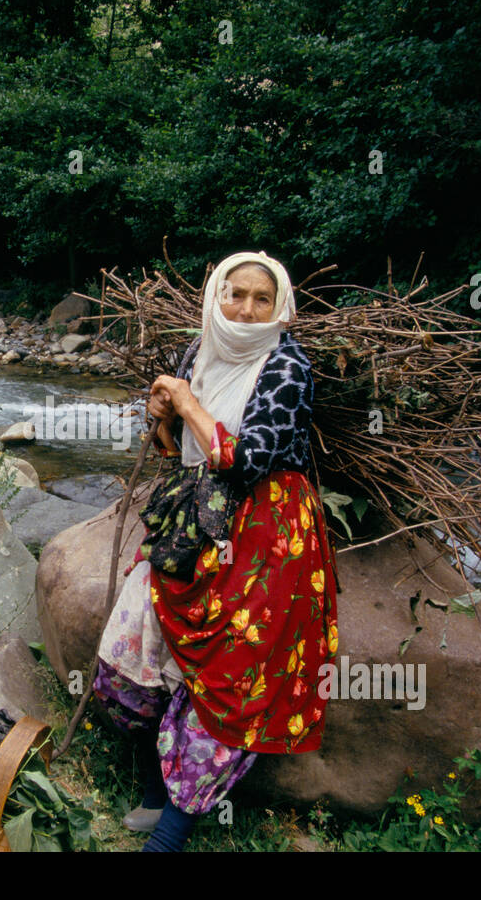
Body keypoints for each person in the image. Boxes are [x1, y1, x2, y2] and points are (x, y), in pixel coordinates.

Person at [92, 250, 339, 851]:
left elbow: (246, 457)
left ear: (282, 307)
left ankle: (171, 835)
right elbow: (180, 447)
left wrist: (186, 403)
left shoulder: (288, 365)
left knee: (231, 681)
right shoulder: (197, 352)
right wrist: (161, 418)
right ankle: (155, 794)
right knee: (137, 652)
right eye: (236, 294)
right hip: (191, 526)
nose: (248, 310)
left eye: (263, 298)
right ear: (214, 297)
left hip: (266, 537)